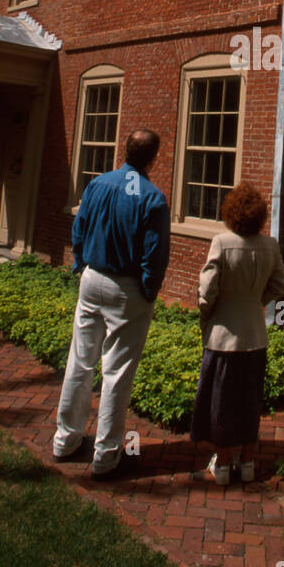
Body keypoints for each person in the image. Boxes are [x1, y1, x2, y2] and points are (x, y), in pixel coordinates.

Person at [53, 127, 170, 478]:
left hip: (91, 278)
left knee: (80, 361)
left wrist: (79, 262)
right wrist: (148, 289)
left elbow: (80, 227)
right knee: (116, 372)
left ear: (125, 150)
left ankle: (65, 439)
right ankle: (105, 455)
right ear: (153, 157)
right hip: (126, 287)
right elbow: (155, 254)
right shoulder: (152, 198)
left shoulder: (97, 184)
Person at [190, 182, 284, 486]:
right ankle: (246, 462)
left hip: (223, 336)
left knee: (221, 403)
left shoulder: (221, 242)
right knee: (249, 402)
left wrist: (208, 312)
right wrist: (254, 304)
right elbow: (278, 286)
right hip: (255, 336)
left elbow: (207, 290)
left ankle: (222, 464)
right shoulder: (270, 245)